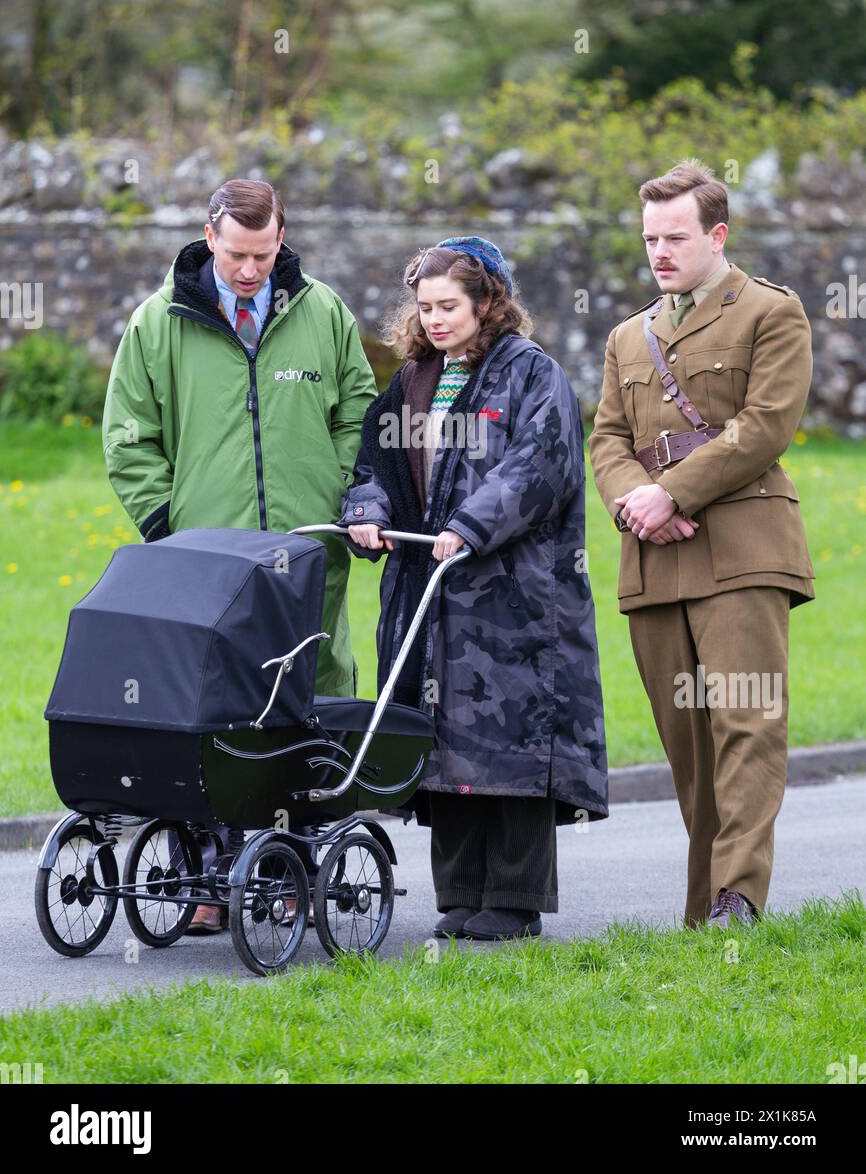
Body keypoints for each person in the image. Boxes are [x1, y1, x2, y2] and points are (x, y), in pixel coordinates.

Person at [102, 178, 377, 931]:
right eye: (236, 254)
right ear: (208, 235)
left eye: (265, 253)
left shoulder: (323, 311)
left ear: (281, 237)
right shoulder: (158, 323)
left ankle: (294, 871)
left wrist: (343, 497)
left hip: (306, 552)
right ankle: (205, 880)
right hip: (204, 560)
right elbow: (128, 436)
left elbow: (358, 408)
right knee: (206, 706)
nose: (251, 269)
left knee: (308, 697)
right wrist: (168, 528)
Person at [338, 235, 608, 942]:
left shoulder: (531, 375)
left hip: (514, 601)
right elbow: (375, 464)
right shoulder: (412, 381)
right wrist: (367, 513)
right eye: (424, 306)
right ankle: (459, 896)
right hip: (429, 595)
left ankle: (514, 902)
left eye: (448, 305)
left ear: (489, 302)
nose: (433, 319)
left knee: (512, 747)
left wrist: (468, 525)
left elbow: (538, 470)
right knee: (443, 747)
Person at [589, 159, 815, 930]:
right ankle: (702, 907)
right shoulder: (629, 335)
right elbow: (609, 438)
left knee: (745, 724)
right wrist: (634, 502)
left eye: (675, 236)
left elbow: (766, 425)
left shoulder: (769, 313)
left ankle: (739, 899)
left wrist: (672, 491)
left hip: (745, 548)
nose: (659, 250)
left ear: (717, 235)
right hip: (655, 556)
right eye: (650, 237)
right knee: (686, 741)